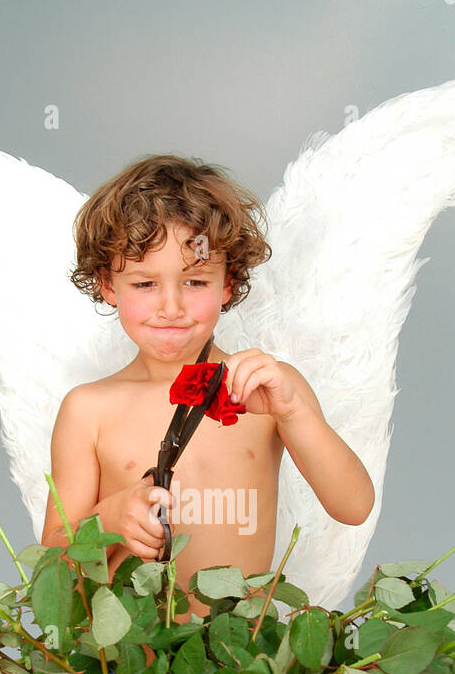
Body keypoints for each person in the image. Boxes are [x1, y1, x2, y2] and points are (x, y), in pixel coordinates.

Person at [41, 153, 374, 621]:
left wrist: (294, 412)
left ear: (227, 284)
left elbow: (354, 506)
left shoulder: (268, 389)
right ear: (108, 285)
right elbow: (55, 565)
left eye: (195, 281)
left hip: (242, 669)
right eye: (145, 284)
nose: (171, 307)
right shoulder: (88, 409)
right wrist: (111, 518)